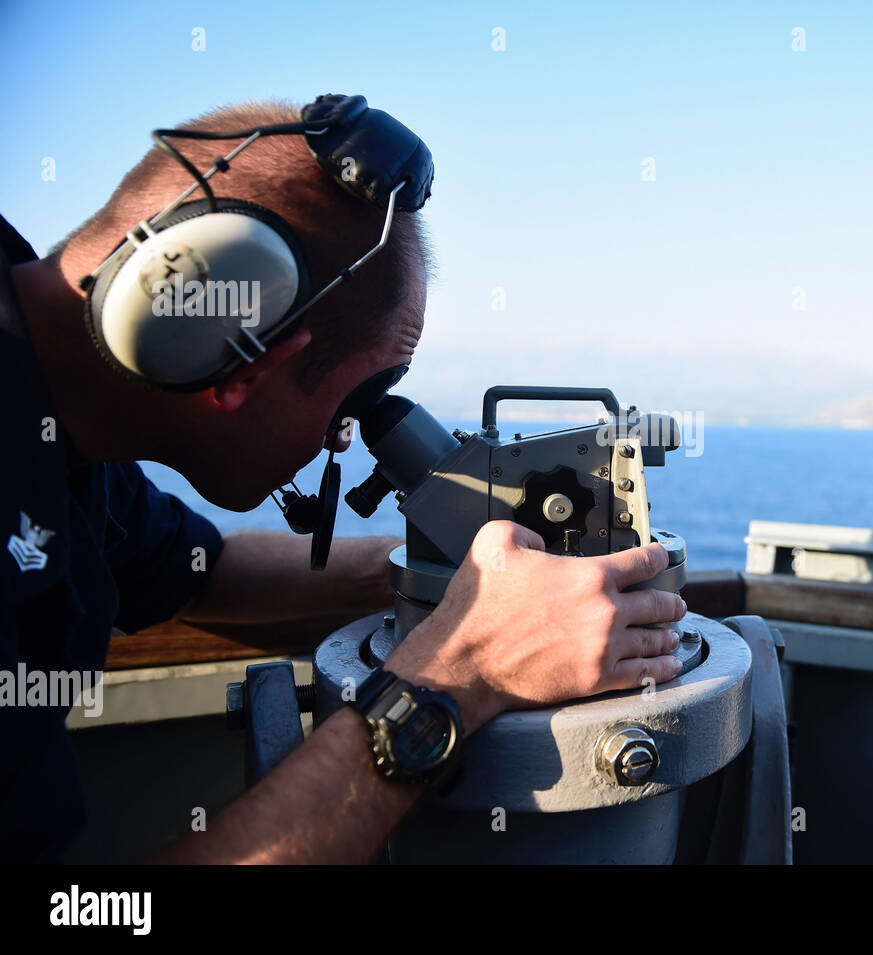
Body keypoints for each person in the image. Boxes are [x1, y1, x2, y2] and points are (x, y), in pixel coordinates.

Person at [0, 99, 685, 863]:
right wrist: (461, 675)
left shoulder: (55, 421)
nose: (346, 437)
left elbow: (200, 572)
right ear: (244, 367)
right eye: (356, 401)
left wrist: (444, 578)